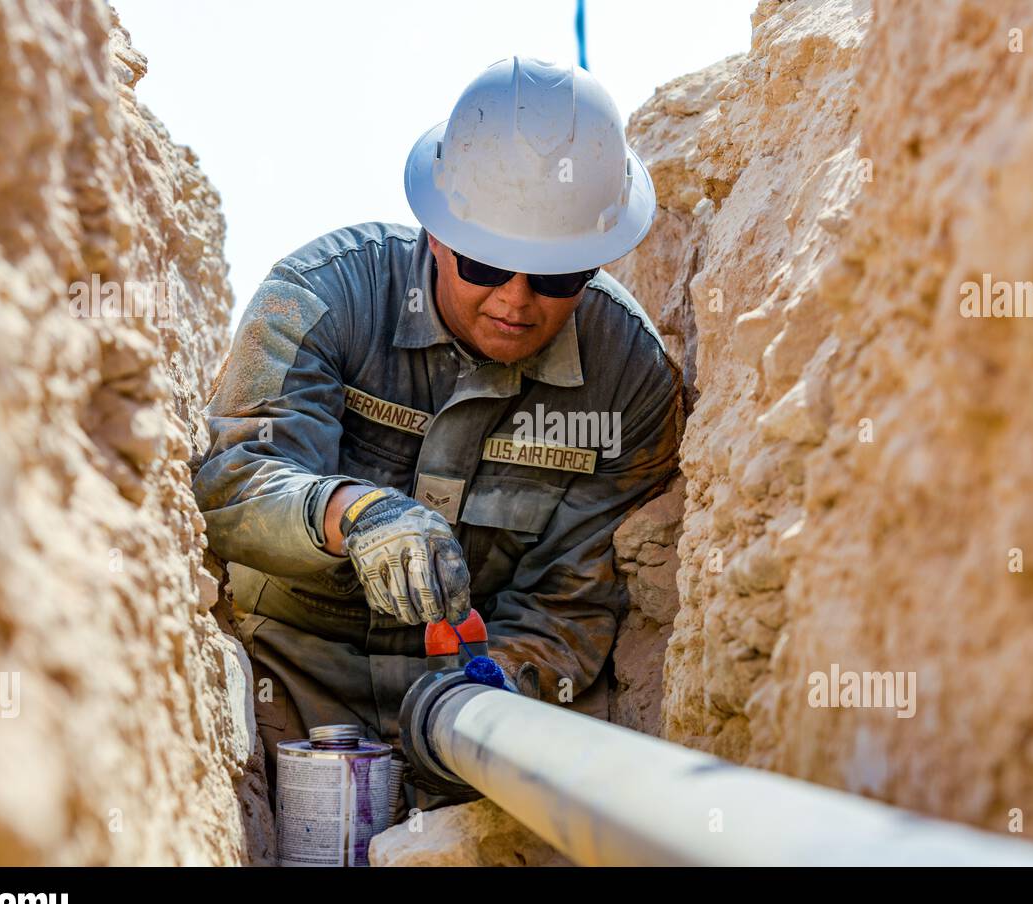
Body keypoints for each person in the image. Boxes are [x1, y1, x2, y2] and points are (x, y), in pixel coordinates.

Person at [192, 56, 681, 815]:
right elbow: (234, 483)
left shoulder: (629, 377)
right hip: (286, 691)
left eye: (556, 278)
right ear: (436, 231)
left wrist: (494, 692)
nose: (517, 302)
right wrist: (354, 514)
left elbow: (572, 603)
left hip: (469, 717)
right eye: (487, 265)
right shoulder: (326, 297)